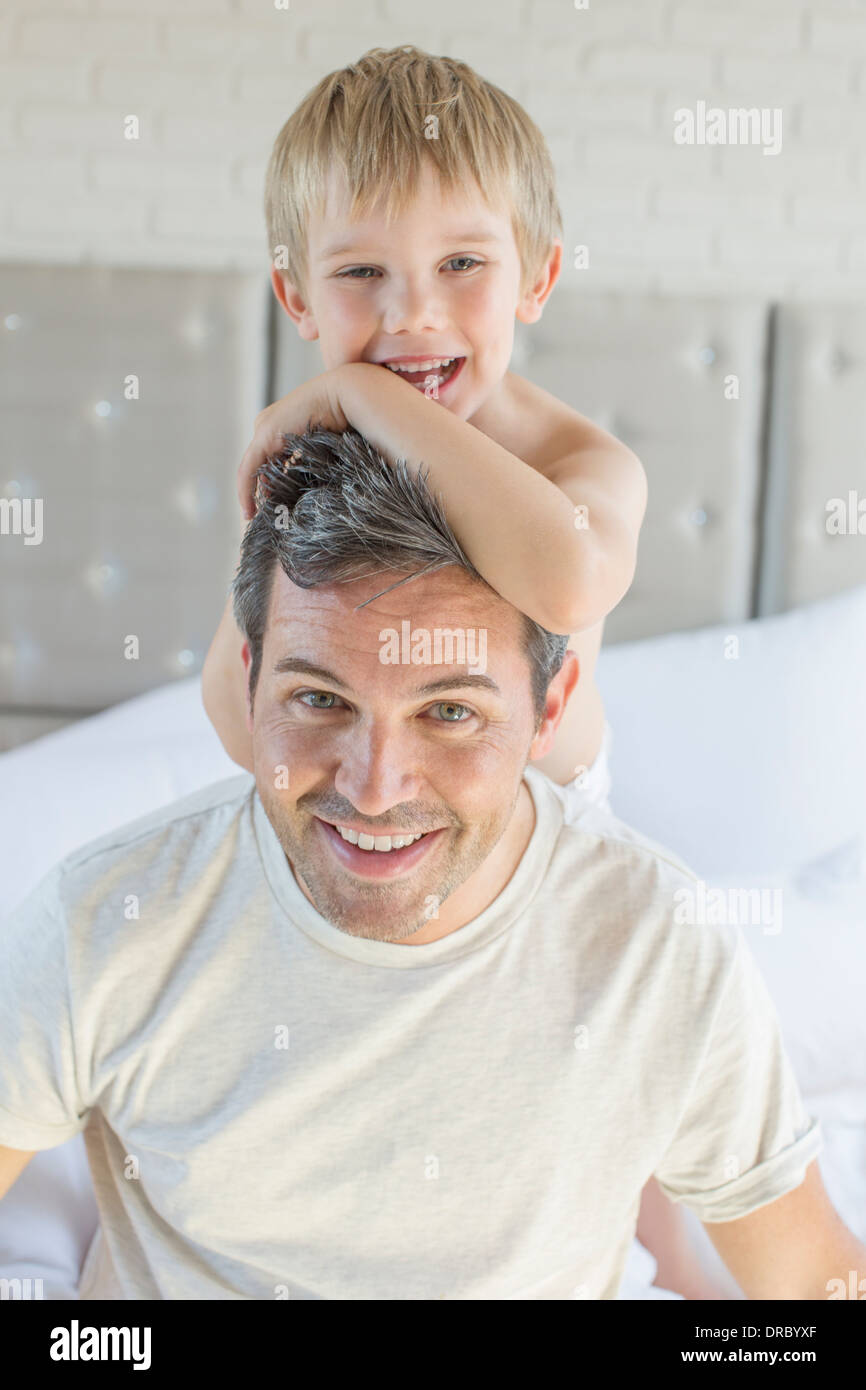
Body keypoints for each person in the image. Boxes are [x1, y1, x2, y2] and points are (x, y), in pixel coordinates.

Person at [1, 430, 860, 1301]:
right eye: (319, 699)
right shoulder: (109, 916)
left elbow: (814, 1290)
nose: (373, 790)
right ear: (250, 681)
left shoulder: (659, 948)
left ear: (548, 709)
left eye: (449, 712)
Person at [202, 43, 710, 1295]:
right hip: (383, 821)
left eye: (462, 266)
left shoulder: (581, 462)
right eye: (362, 273)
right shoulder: (311, 464)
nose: (414, 313)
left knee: (605, 1072)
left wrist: (362, 400)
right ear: (295, 295)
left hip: (557, 836)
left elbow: (565, 578)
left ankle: (687, 1255)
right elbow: (233, 708)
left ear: (536, 275)